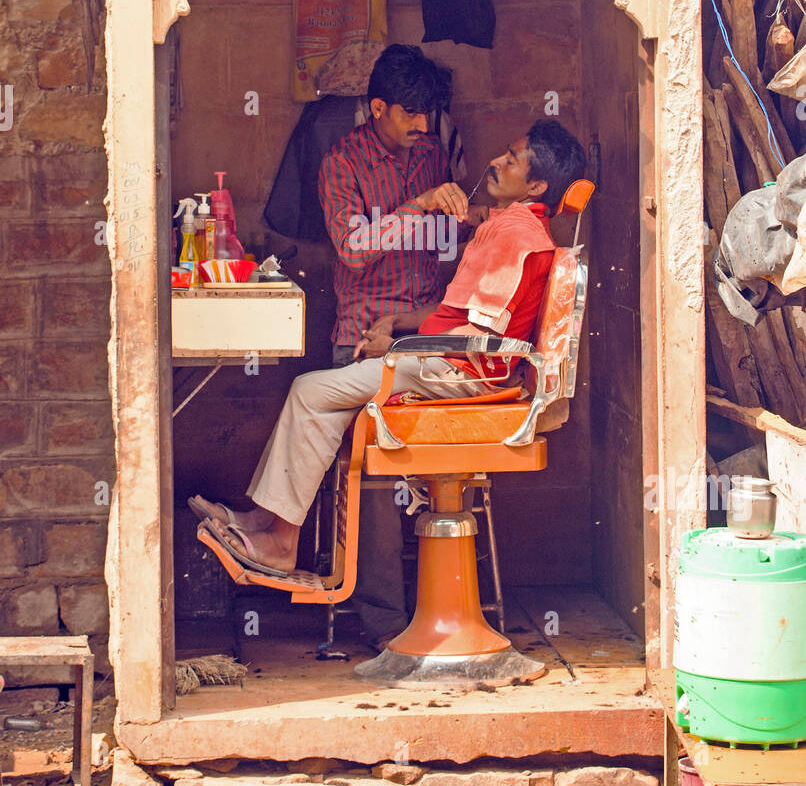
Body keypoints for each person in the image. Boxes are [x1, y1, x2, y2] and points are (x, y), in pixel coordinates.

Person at [190, 118, 586, 641]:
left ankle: (281, 542)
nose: (496, 161)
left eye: (512, 160)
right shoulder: (512, 225)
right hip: (462, 363)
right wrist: (400, 323)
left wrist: (397, 349)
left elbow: (479, 333)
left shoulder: (514, 233)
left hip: (466, 373)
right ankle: (267, 527)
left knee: (312, 392)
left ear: (536, 187)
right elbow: (461, 312)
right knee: (327, 400)